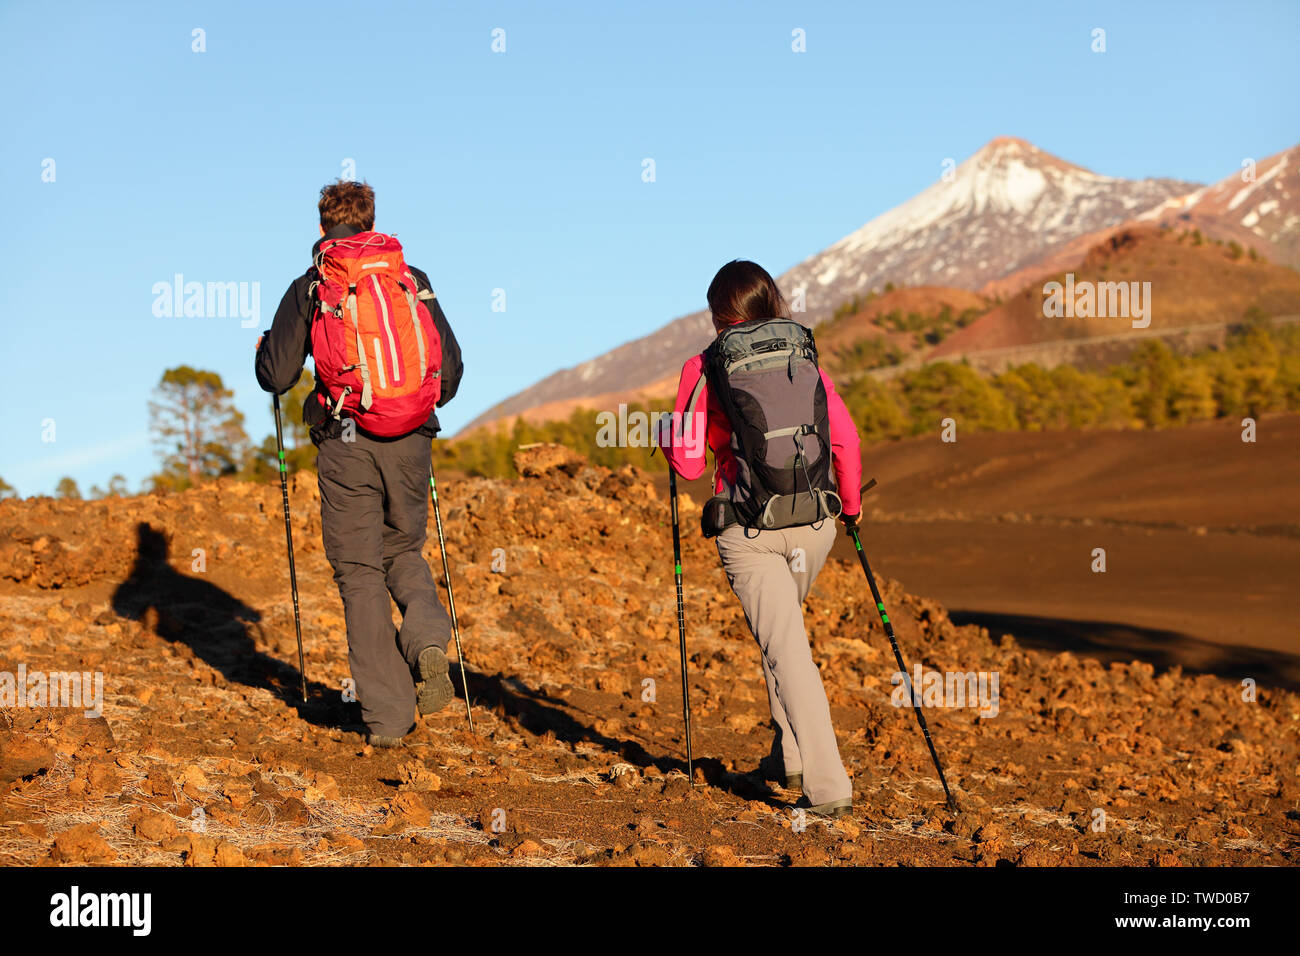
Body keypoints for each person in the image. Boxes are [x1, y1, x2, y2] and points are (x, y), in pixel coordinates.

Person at [255, 180, 464, 748]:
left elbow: (277, 376)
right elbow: (450, 375)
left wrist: (263, 352)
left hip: (345, 439)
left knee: (359, 572)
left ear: (323, 226)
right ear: (372, 221)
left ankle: (391, 720)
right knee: (402, 550)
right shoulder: (409, 279)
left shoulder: (314, 284)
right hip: (412, 437)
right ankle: (426, 641)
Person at [661, 259, 862, 817]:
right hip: (817, 524)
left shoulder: (703, 366)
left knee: (786, 649)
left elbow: (688, 463)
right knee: (784, 636)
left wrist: (666, 433)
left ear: (717, 314)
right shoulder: (803, 355)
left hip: (750, 527)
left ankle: (828, 787)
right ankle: (788, 758)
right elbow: (844, 438)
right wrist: (853, 508)